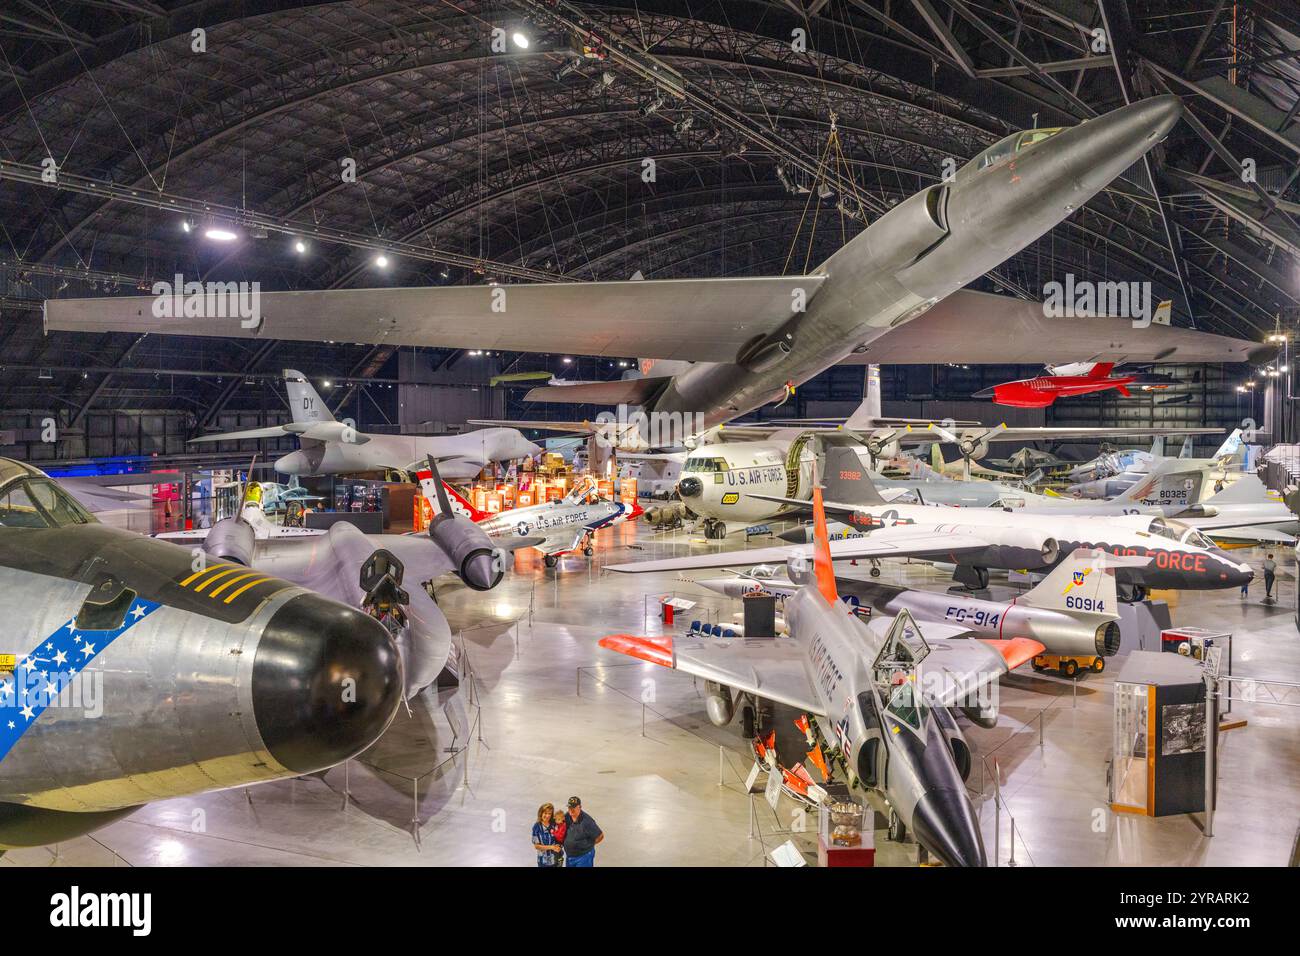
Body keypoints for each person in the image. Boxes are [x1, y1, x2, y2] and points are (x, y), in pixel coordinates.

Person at [560, 796, 603, 867]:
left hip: (584, 857)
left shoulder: (587, 821)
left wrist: (588, 845)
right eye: (569, 807)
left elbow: (600, 836)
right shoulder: (567, 816)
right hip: (570, 857)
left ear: (579, 807)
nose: (571, 809)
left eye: (573, 807)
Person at [531, 803, 565, 867]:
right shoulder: (536, 827)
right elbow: (536, 846)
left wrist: (560, 846)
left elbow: (561, 836)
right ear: (541, 813)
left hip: (556, 859)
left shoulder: (554, 823)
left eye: (549, 813)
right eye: (545, 813)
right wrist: (552, 847)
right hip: (543, 862)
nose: (547, 816)